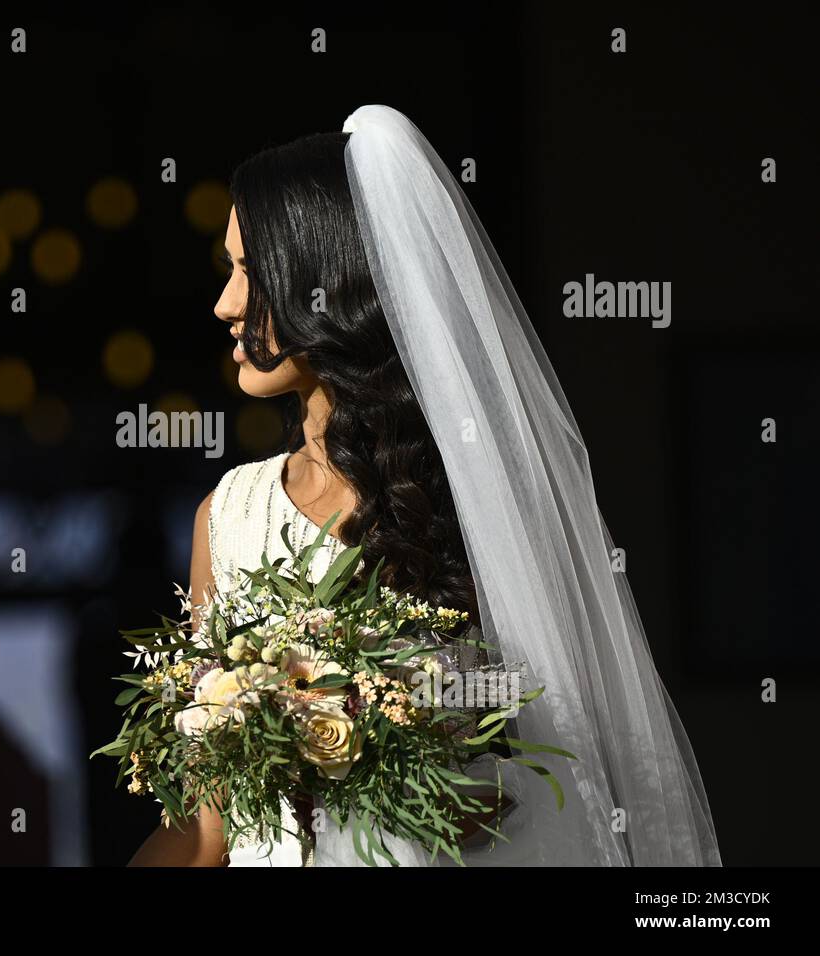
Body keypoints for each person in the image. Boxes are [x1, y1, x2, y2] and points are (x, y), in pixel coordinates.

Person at [130, 106, 721, 867]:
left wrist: (376, 760)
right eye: (229, 270)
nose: (225, 304)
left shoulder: (472, 507)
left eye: (251, 273)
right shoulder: (228, 518)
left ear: (324, 281)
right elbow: (201, 827)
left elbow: (536, 782)